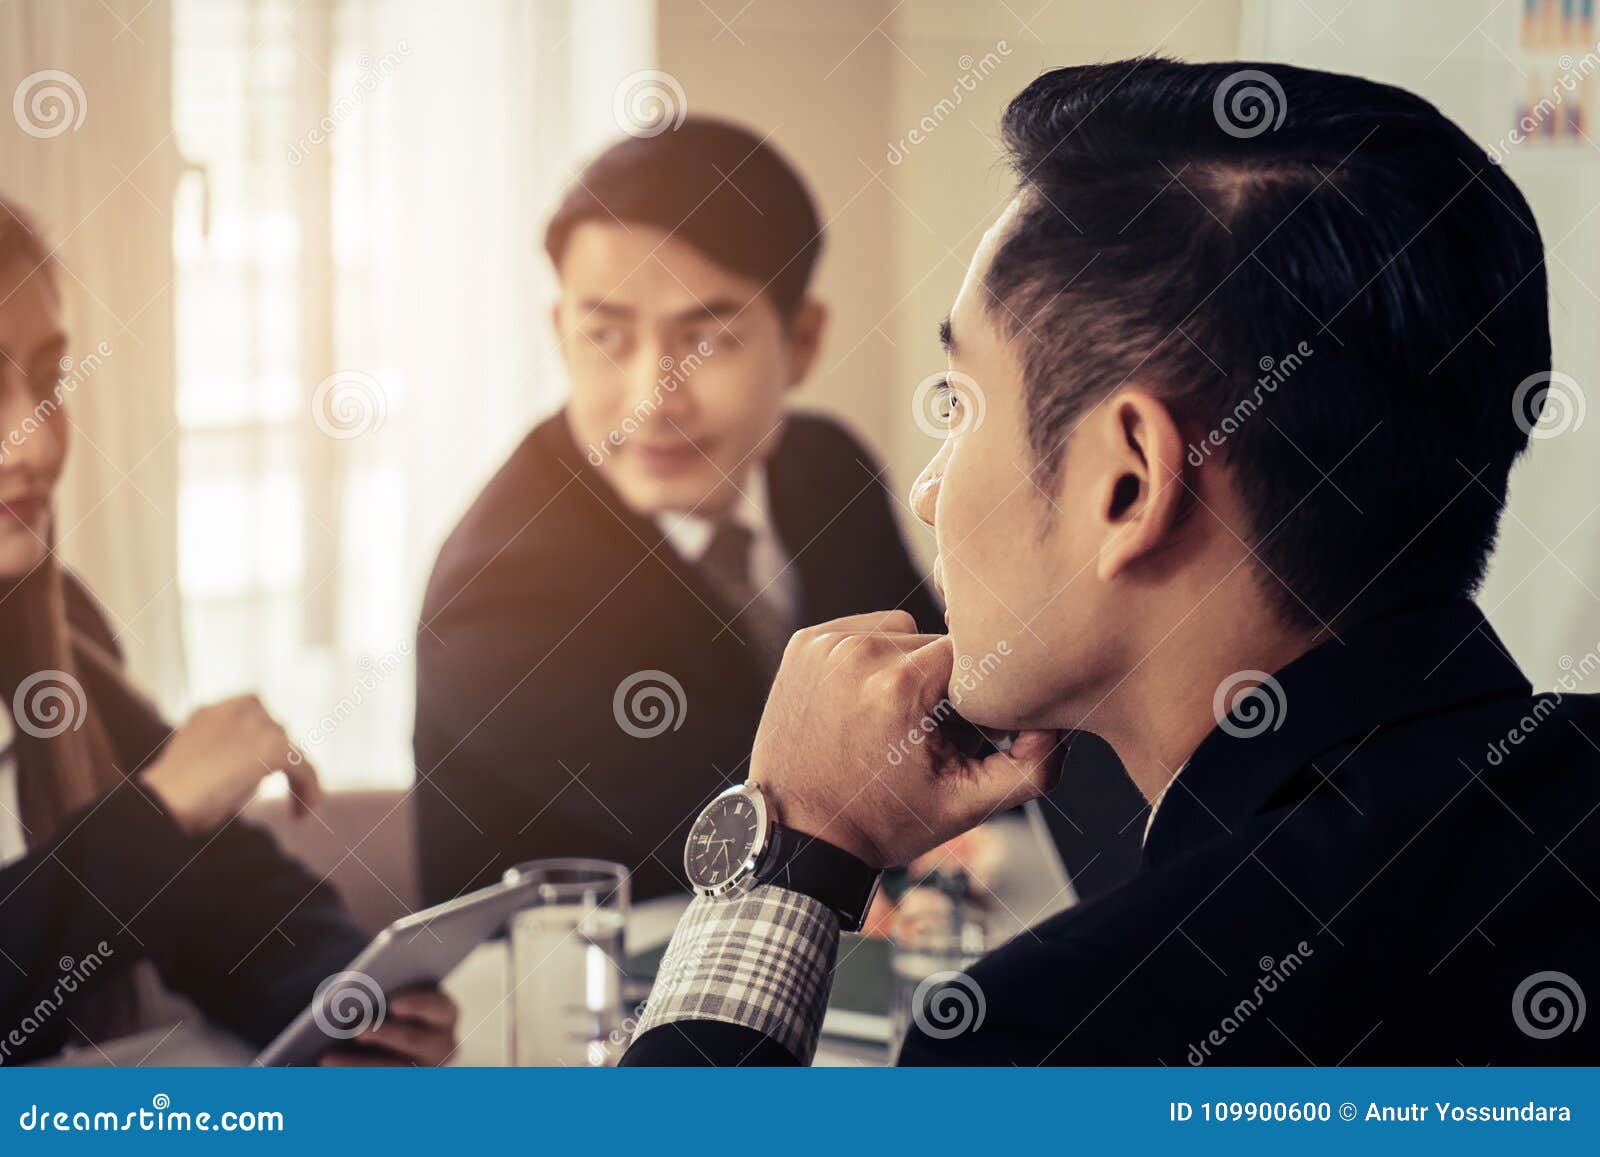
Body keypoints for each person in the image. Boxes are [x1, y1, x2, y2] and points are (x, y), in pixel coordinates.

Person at [621, 59, 1600, 1066]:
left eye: (957, 406)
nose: (927, 490)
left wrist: (797, 847)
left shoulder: (1052, 1035)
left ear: (1128, 483)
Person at [412, 117, 952, 905]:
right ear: (559, 335)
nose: (650, 402)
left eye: (708, 340)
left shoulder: (825, 467)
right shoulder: (497, 589)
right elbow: (763, 825)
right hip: (580, 1004)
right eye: (606, 335)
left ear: (802, 341)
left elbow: (942, 701)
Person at [0, 198, 455, 1066]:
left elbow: (211, 887)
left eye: (51, 378)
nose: (33, 440)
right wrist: (160, 807)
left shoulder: (52, 623)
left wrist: (337, 992)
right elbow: (141, 846)